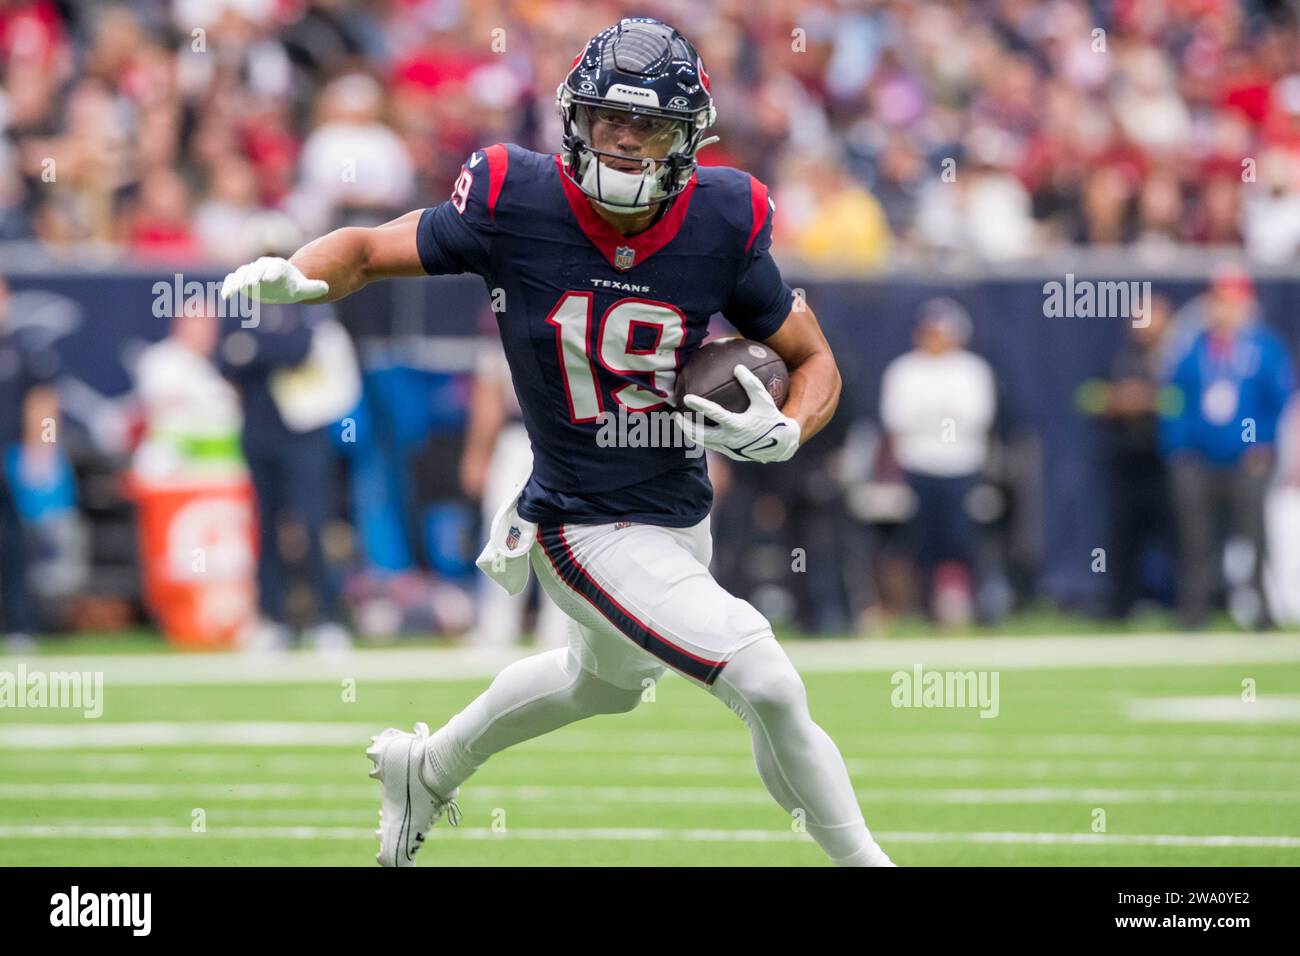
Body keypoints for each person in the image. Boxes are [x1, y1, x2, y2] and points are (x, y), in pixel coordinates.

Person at [222, 18, 894, 868]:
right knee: (764, 677)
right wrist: (302, 273)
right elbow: (363, 249)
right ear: (574, 119)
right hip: (579, 521)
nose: (623, 140)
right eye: (609, 118)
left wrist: (790, 427)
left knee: (600, 686)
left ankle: (423, 769)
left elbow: (814, 360)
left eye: (647, 124)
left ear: (688, 140)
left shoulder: (725, 216)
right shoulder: (515, 198)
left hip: (678, 514)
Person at [1160, 267, 1296, 630]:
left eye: (1233, 301)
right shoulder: (1193, 347)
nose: (1226, 309)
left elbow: (1276, 404)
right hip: (1199, 457)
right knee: (1196, 537)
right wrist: (1180, 446)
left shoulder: (1264, 350)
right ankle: (1195, 610)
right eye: (1220, 300)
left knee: (1253, 534)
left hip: (1245, 458)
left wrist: (1256, 445)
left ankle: (1261, 609)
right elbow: (1175, 400)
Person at [880, 298, 997, 625]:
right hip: (918, 466)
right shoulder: (904, 369)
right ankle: (924, 607)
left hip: (961, 466)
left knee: (963, 539)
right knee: (921, 541)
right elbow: (897, 418)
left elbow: (976, 416)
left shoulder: (973, 369)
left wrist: (929, 415)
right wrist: (943, 413)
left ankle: (979, 604)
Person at [459, 337, 569, 648]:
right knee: (509, 536)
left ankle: (556, 630)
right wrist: (479, 451)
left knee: (546, 537)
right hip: (528, 437)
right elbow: (490, 391)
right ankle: (500, 627)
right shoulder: (511, 314)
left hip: (557, 439)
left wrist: (478, 451)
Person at [0, 274, 61, 651]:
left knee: (15, 546)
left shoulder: (24, 347)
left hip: (11, 458)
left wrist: (44, 451)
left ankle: (22, 626)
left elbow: (45, 404)